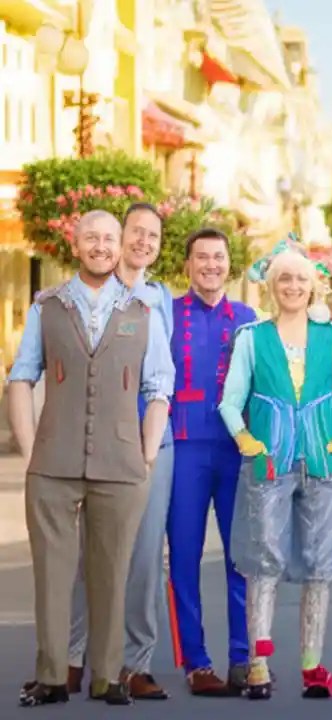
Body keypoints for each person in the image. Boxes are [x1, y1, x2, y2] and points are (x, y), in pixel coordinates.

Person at [10, 210, 175, 706]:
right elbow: (22, 376)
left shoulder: (145, 311)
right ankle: (53, 675)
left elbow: (159, 388)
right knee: (53, 574)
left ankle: (107, 677)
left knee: (112, 571)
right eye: (92, 238)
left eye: (109, 238)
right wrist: (28, 449)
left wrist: (146, 456)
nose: (102, 246)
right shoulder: (47, 307)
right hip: (53, 464)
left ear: (118, 244)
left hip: (122, 464)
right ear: (76, 245)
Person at [220, 240, 332, 700]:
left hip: (323, 458)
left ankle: (312, 666)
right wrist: (245, 440)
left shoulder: (330, 335)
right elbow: (231, 401)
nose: (293, 286)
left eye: (301, 278)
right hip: (268, 459)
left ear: (315, 284)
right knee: (264, 559)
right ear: (272, 286)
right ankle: (258, 664)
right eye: (284, 278)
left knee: (319, 562)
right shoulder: (252, 338)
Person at [62, 203, 176, 700]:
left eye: (153, 235)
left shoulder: (159, 298)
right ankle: (73, 657)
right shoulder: (83, 296)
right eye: (136, 232)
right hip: (95, 443)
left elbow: (161, 377)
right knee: (91, 556)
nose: (144, 242)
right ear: (117, 235)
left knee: (146, 557)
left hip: (151, 445)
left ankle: (135, 662)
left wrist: (151, 448)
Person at [167, 228, 258, 695]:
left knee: (241, 556)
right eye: (201, 257)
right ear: (187, 265)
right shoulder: (167, 315)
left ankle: (243, 658)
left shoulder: (247, 319)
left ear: (230, 264)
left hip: (234, 449)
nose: (210, 265)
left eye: (218, 257)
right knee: (183, 556)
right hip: (182, 448)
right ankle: (196, 662)